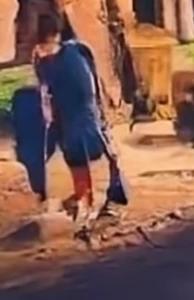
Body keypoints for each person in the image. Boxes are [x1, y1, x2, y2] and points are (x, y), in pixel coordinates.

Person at [31, 12, 126, 237]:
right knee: (88, 163)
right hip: (80, 119)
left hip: (78, 120)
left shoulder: (63, 59)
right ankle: (88, 205)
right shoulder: (73, 53)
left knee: (85, 165)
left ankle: (90, 210)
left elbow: (77, 92)